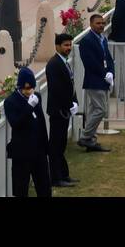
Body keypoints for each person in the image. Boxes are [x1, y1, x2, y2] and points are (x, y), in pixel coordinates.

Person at [3, 67, 52, 197]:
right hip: (22, 153)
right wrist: (29, 107)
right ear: (19, 87)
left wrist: (46, 148)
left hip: (38, 151)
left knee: (44, 187)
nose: (29, 91)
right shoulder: (10, 102)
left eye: (31, 88)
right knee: (21, 189)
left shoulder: (37, 97)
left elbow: (41, 123)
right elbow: (15, 123)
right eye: (26, 88)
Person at [44, 34, 79, 187]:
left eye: (70, 45)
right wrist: (69, 104)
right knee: (56, 146)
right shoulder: (54, 64)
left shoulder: (63, 62)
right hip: (58, 111)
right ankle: (56, 178)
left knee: (61, 144)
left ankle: (64, 174)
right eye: (65, 45)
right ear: (57, 46)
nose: (68, 48)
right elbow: (57, 90)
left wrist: (74, 102)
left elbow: (70, 85)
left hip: (64, 109)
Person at [76, 13, 113, 152]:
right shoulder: (87, 41)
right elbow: (90, 63)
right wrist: (105, 74)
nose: (101, 25)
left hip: (103, 80)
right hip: (94, 80)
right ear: (91, 24)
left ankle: (90, 140)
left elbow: (108, 58)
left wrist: (111, 72)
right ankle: (86, 137)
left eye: (103, 23)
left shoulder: (103, 39)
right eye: (98, 23)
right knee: (101, 110)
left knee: (93, 111)